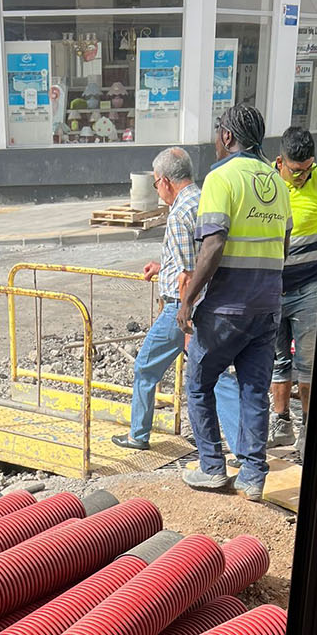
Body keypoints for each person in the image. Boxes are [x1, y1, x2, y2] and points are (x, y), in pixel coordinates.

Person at [177, 105, 292, 498]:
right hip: (267, 306)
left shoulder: (221, 177)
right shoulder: (277, 182)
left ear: (227, 136)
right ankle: (253, 476)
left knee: (198, 383)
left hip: (227, 307)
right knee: (254, 390)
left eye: (217, 132)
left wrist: (188, 299)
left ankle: (212, 468)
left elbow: (213, 245)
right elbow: (283, 245)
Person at [112, 148, 240, 454]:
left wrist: (186, 319)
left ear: (166, 181)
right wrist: (163, 267)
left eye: (156, 184)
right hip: (210, 302)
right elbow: (200, 257)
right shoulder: (205, 200)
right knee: (218, 375)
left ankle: (138, 435)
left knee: (146, 367)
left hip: (181, 308)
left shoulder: (180, 213)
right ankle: (242, 447)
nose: (158, 192)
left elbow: (188, 273)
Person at [268, 126, 317, 453]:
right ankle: (282, 423)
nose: (303, 177)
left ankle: (308, 429)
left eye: (308, 169)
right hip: (273, 289)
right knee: (278, 360)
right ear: (280, 162)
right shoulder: (267, 185)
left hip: (309, 287)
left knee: (307, 362)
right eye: (296, 171)